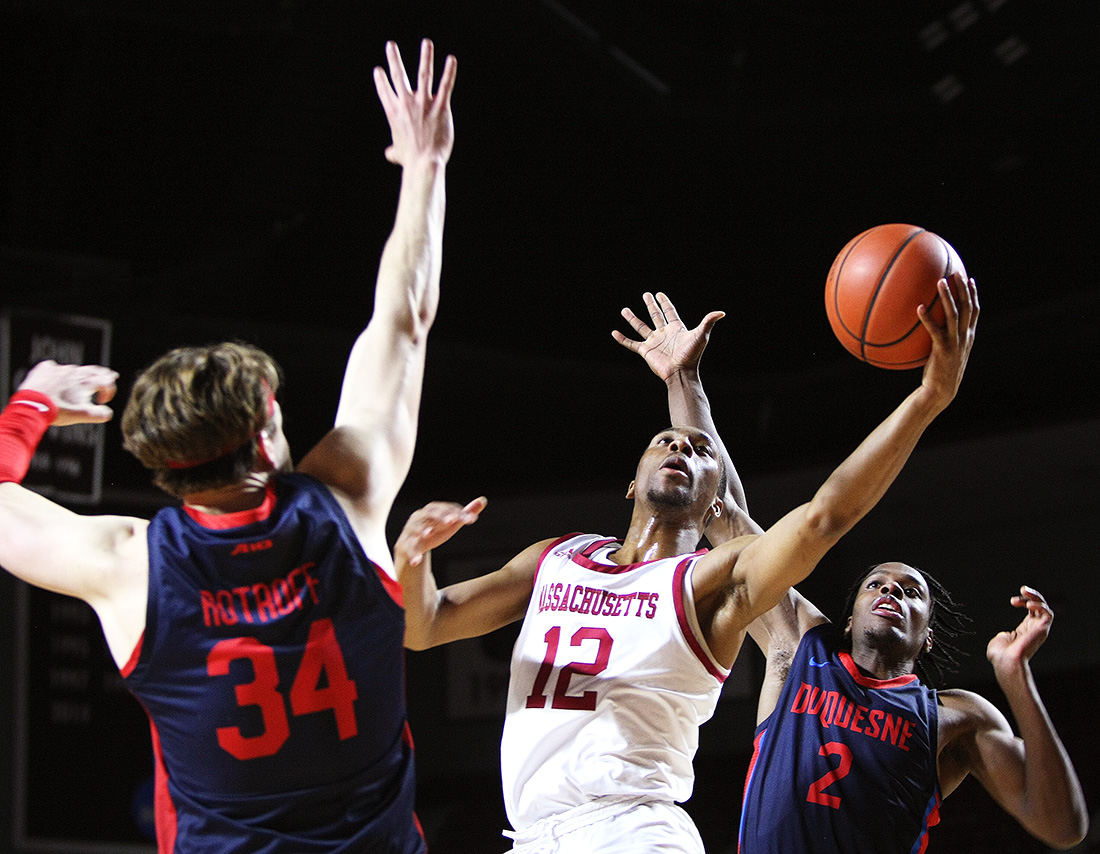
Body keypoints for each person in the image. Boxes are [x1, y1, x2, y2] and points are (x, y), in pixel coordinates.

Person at [0, 38, 456, 854]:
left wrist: (31, 406)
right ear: (268, 438)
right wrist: (424, 169)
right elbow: (405, 321)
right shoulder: (347, 496)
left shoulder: (127, 565)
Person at [393, 275, 978, 853]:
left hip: (632, 832)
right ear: (632, 483)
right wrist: (413, 560)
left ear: (713, 500)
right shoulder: (557, 558)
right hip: (531, 837)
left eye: (699, 451)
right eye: (665, 441)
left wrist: (927, 399)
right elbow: (424, 626)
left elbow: (824, 517)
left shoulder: (713, 583)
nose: (680, 447)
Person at [618, 293, 1088, 852]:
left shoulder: (954, 718)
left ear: (927, 634)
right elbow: (723, 511)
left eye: (911, 592)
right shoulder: (801, 648)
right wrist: (683, 379)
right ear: (849, 616)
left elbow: (1063, 828)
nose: (891, 591)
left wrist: (1015, 677)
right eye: (876, 584)